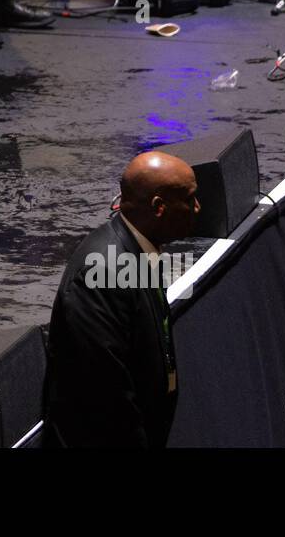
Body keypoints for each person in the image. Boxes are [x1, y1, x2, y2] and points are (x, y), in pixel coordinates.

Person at [45, 151, 200, 447]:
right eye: (189, 199)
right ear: (159, 207)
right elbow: (106, 401)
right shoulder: (100, 276)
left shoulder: (138, 251)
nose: (197, 207)